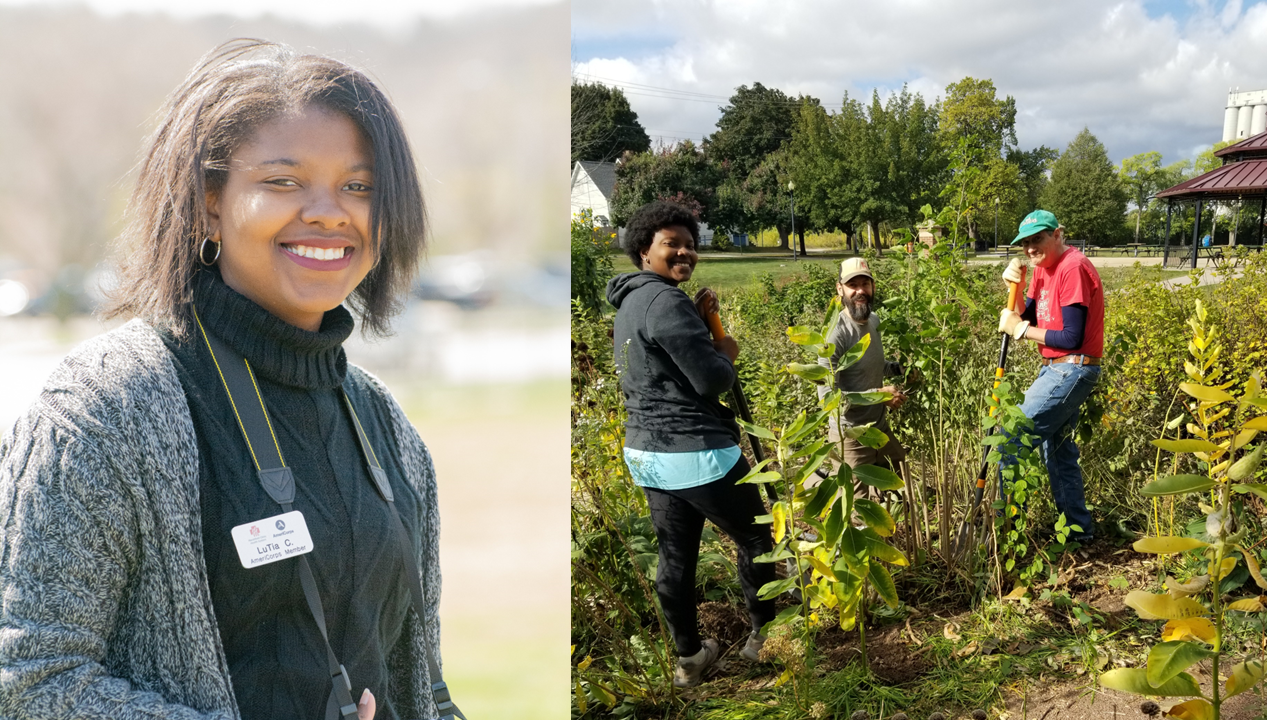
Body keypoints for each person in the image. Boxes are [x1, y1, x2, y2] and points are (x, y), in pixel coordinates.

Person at [0, 41, 456, 720]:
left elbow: (423, 687)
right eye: (283, 181)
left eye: (359, 186)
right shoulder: (103, 410)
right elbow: (27, 679)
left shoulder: (386, 426)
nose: (331, 212)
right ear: (210, 202)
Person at [605, 200, 775, 688]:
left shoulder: (632, 301)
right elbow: (710, 381)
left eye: (689, 244)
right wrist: (726, 352)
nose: (684, 251)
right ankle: (766, 639)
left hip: (648, 454)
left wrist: (699, 326)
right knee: (756, 538)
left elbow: (663, 363)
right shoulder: (666, 301)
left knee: (676, 557)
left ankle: (690, 659)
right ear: (644, 250)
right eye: (670, 244)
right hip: (696, 451)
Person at [996, 210, 1105, 543]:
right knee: (1058, 453)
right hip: (1059, 367)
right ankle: (1077, 533)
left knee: (1009, 441)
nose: (1031, 248)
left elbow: (1070, 336)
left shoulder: (1072, 266)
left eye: (1037, 239)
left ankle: (1006, 533)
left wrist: (1021, 330)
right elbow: (1022, 315)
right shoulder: (1043, 270)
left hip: (1073, 365)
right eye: (1025, 243)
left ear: (1058, 234)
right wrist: (1012, 287)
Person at [817, 257, 907, 497]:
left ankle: (890, 531)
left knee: (899, 478)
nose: (860, 291)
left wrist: (899, 369)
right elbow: (828, 398)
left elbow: (875, 366)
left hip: (879, 429)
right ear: (840, 289)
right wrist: (878, 397)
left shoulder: (874, 320)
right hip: (851, 436)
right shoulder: (835, 335)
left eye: (865, 284)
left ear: (873, 287)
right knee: (856, 509)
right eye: (852, 284)